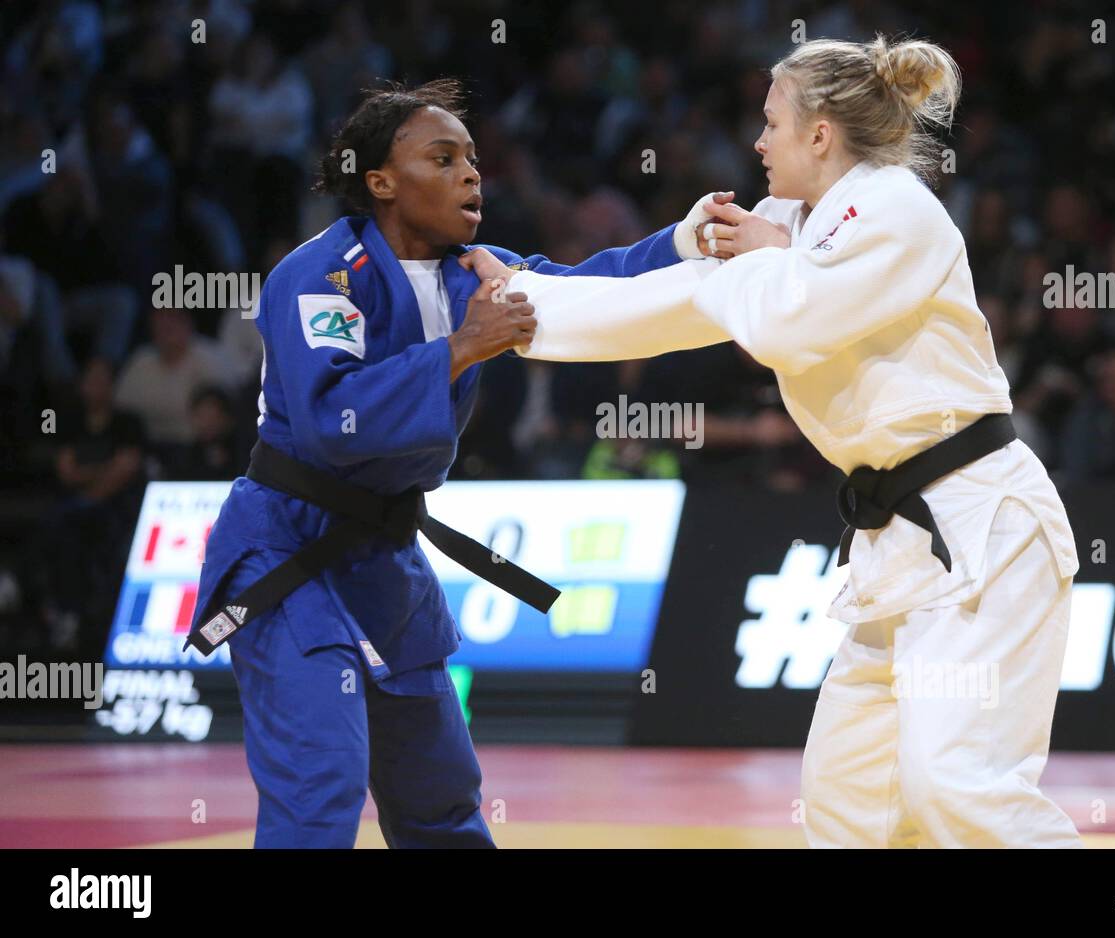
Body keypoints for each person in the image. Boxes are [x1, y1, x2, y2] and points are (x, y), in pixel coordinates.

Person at [461, 37, 1083, 848]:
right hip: (894, 543)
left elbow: (792, 321)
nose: (758, 143)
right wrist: (522, 301)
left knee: (958, 790)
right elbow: (666, 304)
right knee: (846, 803)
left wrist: (762, 255)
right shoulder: (791, 226)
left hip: (981, 527)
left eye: (772, 124)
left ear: (820, 134)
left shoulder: (899, 205)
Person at [186, 79, 728, 848]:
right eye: (442, 159)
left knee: (440, 797)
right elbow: (335, 419)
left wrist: (683, 241)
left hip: (385, 558)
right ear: (381, 182)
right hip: (286, 553)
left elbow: (586, 294)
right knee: (322, 786)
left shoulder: (477, 270)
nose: (471, 174)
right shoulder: (321, 275)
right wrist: (463, 346)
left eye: (472, 159)